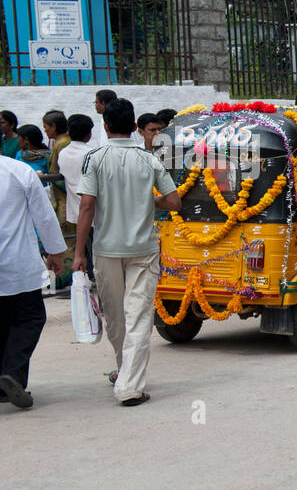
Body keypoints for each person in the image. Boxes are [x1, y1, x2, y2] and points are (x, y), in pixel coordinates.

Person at [73, 98, 180, 406]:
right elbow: (173, 202)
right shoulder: (150, 160)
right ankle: (129, 383)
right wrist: (152, 201)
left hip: (106, 249)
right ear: (135, 127)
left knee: (117, 317)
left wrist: (79, 252)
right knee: (139, 316)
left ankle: (125, 375)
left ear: (105, 127)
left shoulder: (94, 158)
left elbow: (87, 206)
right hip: (144, 250)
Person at [0, 150, 66, 408]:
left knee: (3, 320)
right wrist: (55, 252)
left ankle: (5, 385)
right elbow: (44, 216)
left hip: (17, 266)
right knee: (30, 317)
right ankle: (12, 374)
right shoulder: (19, 171)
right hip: (17, 263)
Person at [58, 114, 95, 280]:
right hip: (95, 210)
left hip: (77, 211)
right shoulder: (92, 153)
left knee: (87, 248)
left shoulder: (63, 153)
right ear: (89, 134)